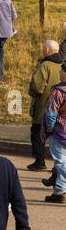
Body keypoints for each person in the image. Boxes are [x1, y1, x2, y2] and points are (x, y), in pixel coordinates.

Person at [28, 39, 64, 171]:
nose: (43, 51)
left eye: (44, 49)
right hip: (60, 105)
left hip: (44, 104)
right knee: (56, 135)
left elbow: (37, 87)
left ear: (47, 51)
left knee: (37, 132)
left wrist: (31, 91)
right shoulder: (62, 64)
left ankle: (39, 161)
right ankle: (57, 166)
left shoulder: (45, 65)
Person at [43, 62, 66, 204]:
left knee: (60, 162)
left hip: (60, 131)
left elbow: (51, 113)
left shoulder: (58, 91)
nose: (59, 73)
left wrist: (49, 128)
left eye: (61, 71)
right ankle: (59, 191)